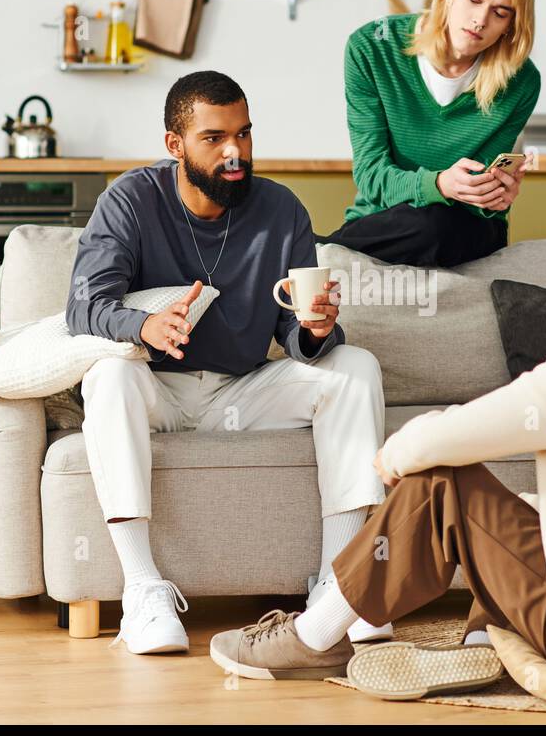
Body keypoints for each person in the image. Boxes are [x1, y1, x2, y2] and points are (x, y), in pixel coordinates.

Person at [209, 178, 546, 695]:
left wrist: (393, 456)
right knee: (528, 509)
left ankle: (315, 636)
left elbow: (451, 437)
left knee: (442, 485)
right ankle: (486, 638)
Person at [66, 70, 392, 656]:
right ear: (175, 145)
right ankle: (143, 591)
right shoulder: (131, 200)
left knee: (355, 364)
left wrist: (315, 330)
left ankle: (338, 589)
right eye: (214, 138)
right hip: (156, 391)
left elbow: (291, 330)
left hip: (241, 392)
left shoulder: (281, 210)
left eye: (243, 134)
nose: (235, 152)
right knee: (108, 374)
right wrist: (143, 325)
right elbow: (84, 304)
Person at [317, 0, 540, 268]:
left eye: (500, 13)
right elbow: (370, 176)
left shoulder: (521, 81)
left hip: (464, 225)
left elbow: (481, 195)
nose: (480, 20)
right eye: (475, 0)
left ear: (511, 24)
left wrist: (494, 197)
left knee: (436, 224)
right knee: (422, 223)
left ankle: (319, 249)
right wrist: (437, 184)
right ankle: (322, 250)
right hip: (385, 220)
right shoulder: (371, 48)